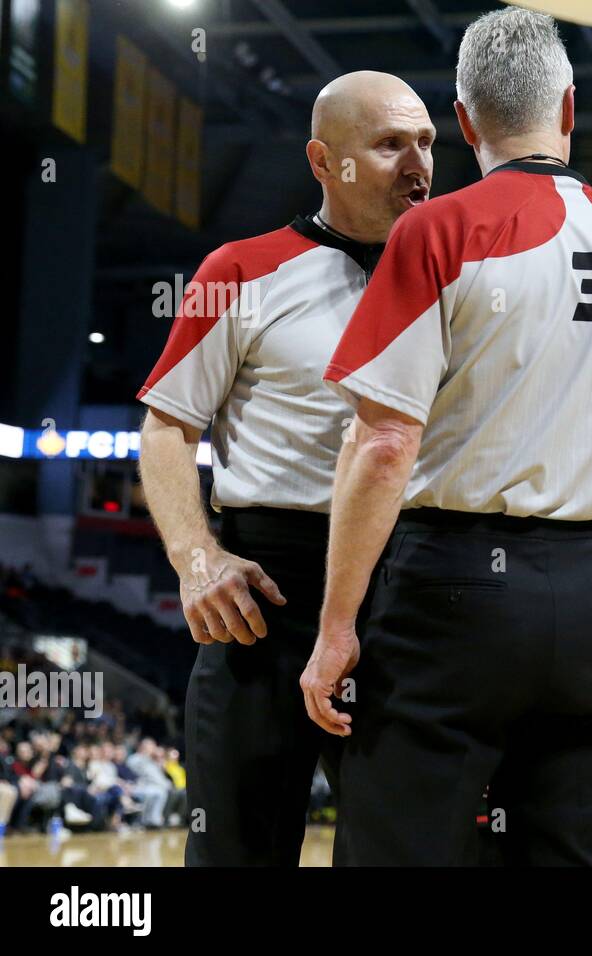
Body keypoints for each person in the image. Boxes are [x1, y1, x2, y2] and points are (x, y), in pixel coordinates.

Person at [299, 7, 592, 866]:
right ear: (571, 109)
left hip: (453, 587)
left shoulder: (437, 230)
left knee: (398, 846)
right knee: (567, 849)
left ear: (465, 120)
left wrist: (335, 628)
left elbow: (383, 444)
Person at [138, 71, 433, 865]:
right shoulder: (239, 269)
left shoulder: (460, 278)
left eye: (428, 142)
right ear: (323, 159)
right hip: (265, 594)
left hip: (407, 586)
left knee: (404, 852)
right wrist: (196, 557)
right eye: (390, 144)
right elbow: (166, 427)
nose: (419, 163)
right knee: (236, 851)